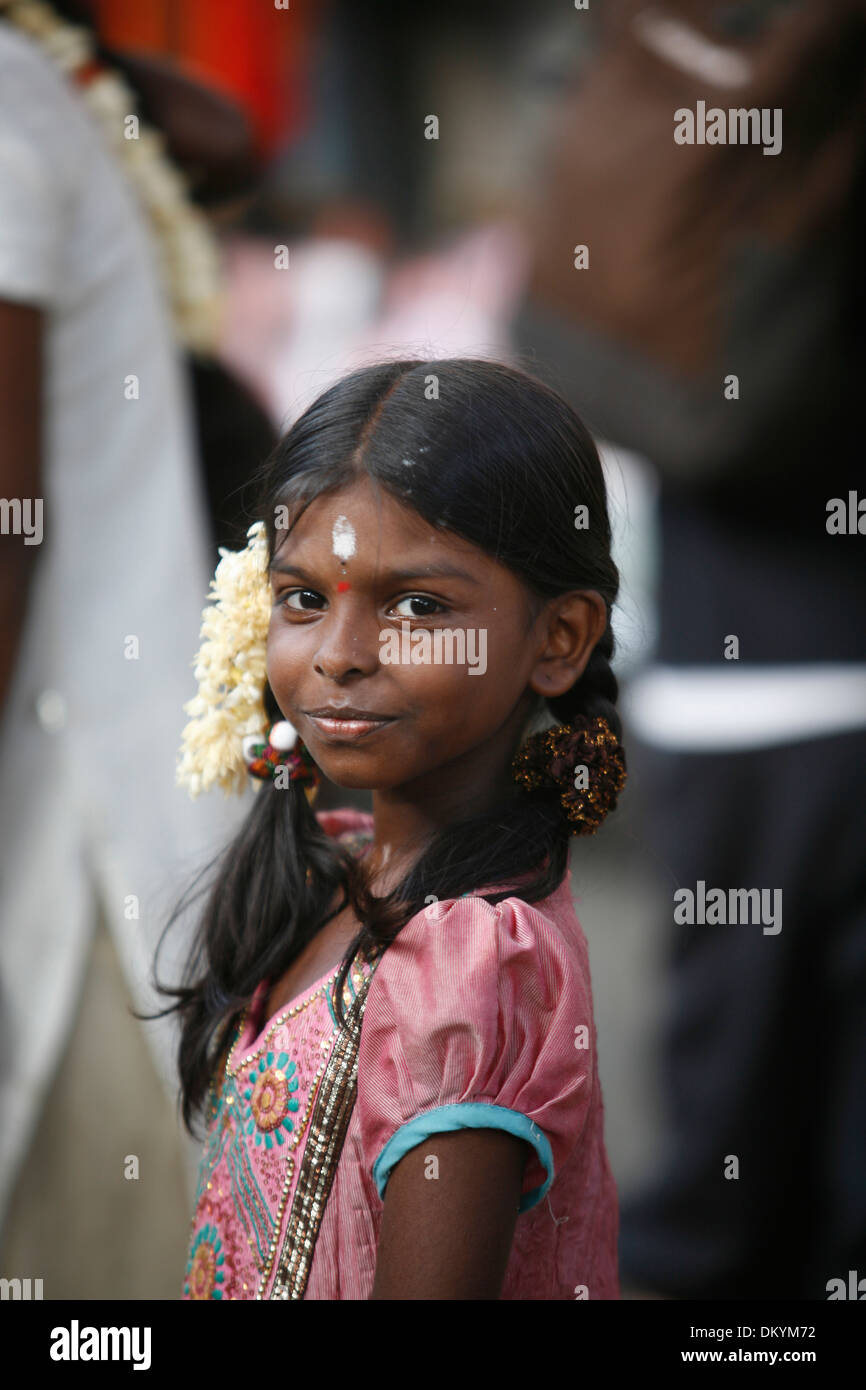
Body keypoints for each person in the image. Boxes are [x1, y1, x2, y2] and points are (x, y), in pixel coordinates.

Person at [158, 357, 627, 1300]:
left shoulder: (469, 968)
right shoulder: (332, 871)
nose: (338, 655)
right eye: (302, 598)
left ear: (559, 639)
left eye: (417, 606)